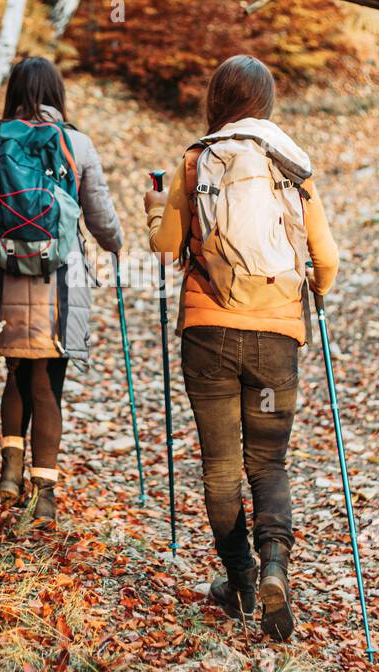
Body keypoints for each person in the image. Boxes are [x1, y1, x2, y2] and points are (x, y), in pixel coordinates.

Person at [145, 54, 339, 640]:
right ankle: (277, 566)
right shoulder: (291, 164)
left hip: (208, 335)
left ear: (219, 100)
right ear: (267, 103)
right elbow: (326, 260)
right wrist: (313, 290)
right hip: (276, 337)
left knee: (221, 466)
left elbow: (167, 245)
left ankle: (241, 581)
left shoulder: (196, 159)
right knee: (269, 461)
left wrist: (156, 210)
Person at [0, 57, 123, 522]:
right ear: (56, 94)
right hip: (60, 281)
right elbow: (101, 217)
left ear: (14, 91)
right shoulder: (77, 145)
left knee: (16, 371)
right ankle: (44, 494)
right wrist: (116, 243)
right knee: (48, 382)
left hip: (3, 280)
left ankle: (9, 471)